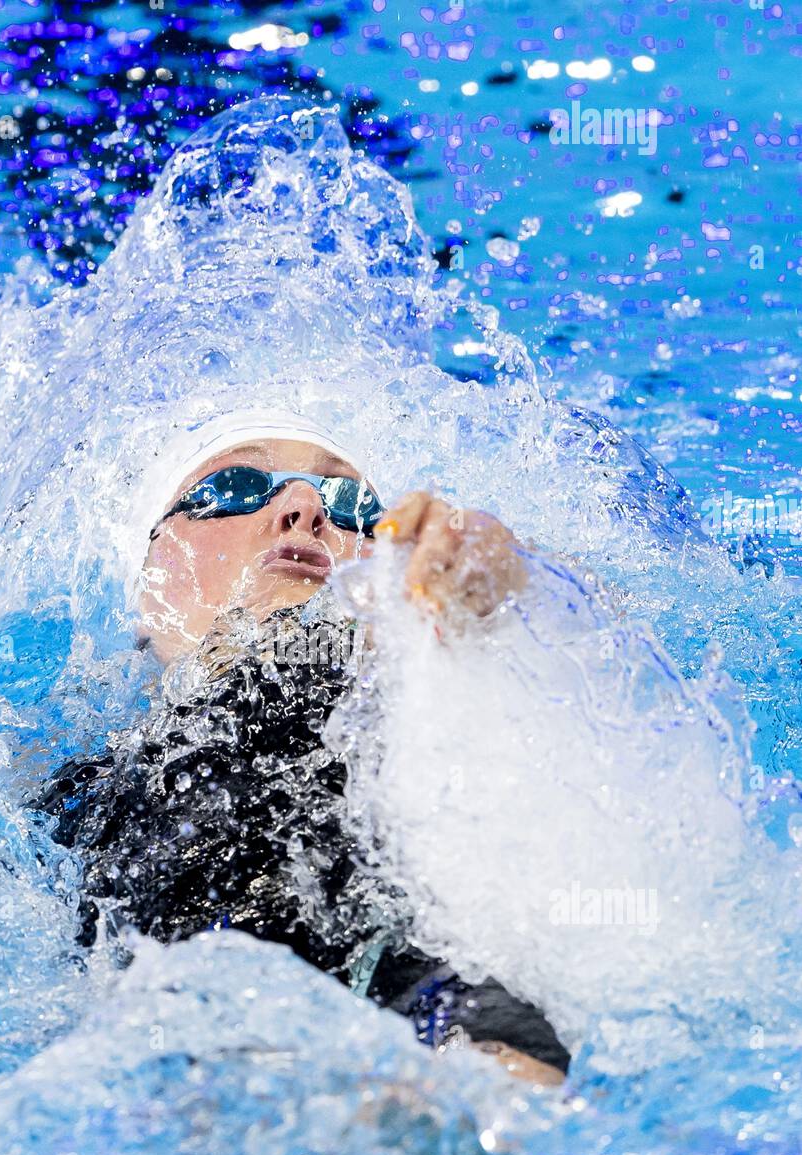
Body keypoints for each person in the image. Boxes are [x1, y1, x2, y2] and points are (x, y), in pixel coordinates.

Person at [38, 412, 570, 1085]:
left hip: (423, 971)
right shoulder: (81, 796)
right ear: (145, 580)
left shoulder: (420, 725)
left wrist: (493, 564)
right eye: (231, 488)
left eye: (350, 504)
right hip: (186, 1042)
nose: (304, 507)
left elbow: (568, 622)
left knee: (508, 1092)